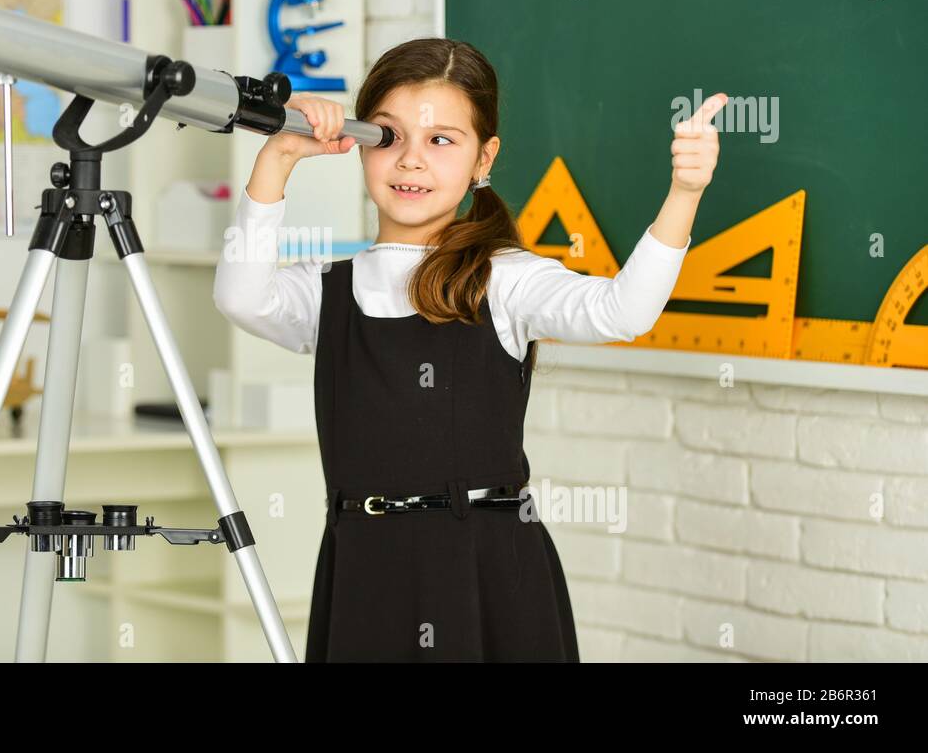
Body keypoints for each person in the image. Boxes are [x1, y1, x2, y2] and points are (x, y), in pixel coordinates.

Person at [213, 37, 723, 662]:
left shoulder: (505, 277)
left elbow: (622, 311)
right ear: (359, 144)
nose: (411, 162)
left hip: (484, 576)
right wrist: (279, 158)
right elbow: (241, 297)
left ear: (485, 159)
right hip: (364, 572)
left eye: (441, 141)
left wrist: (686, 191)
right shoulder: (329, 287)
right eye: (389, 136)